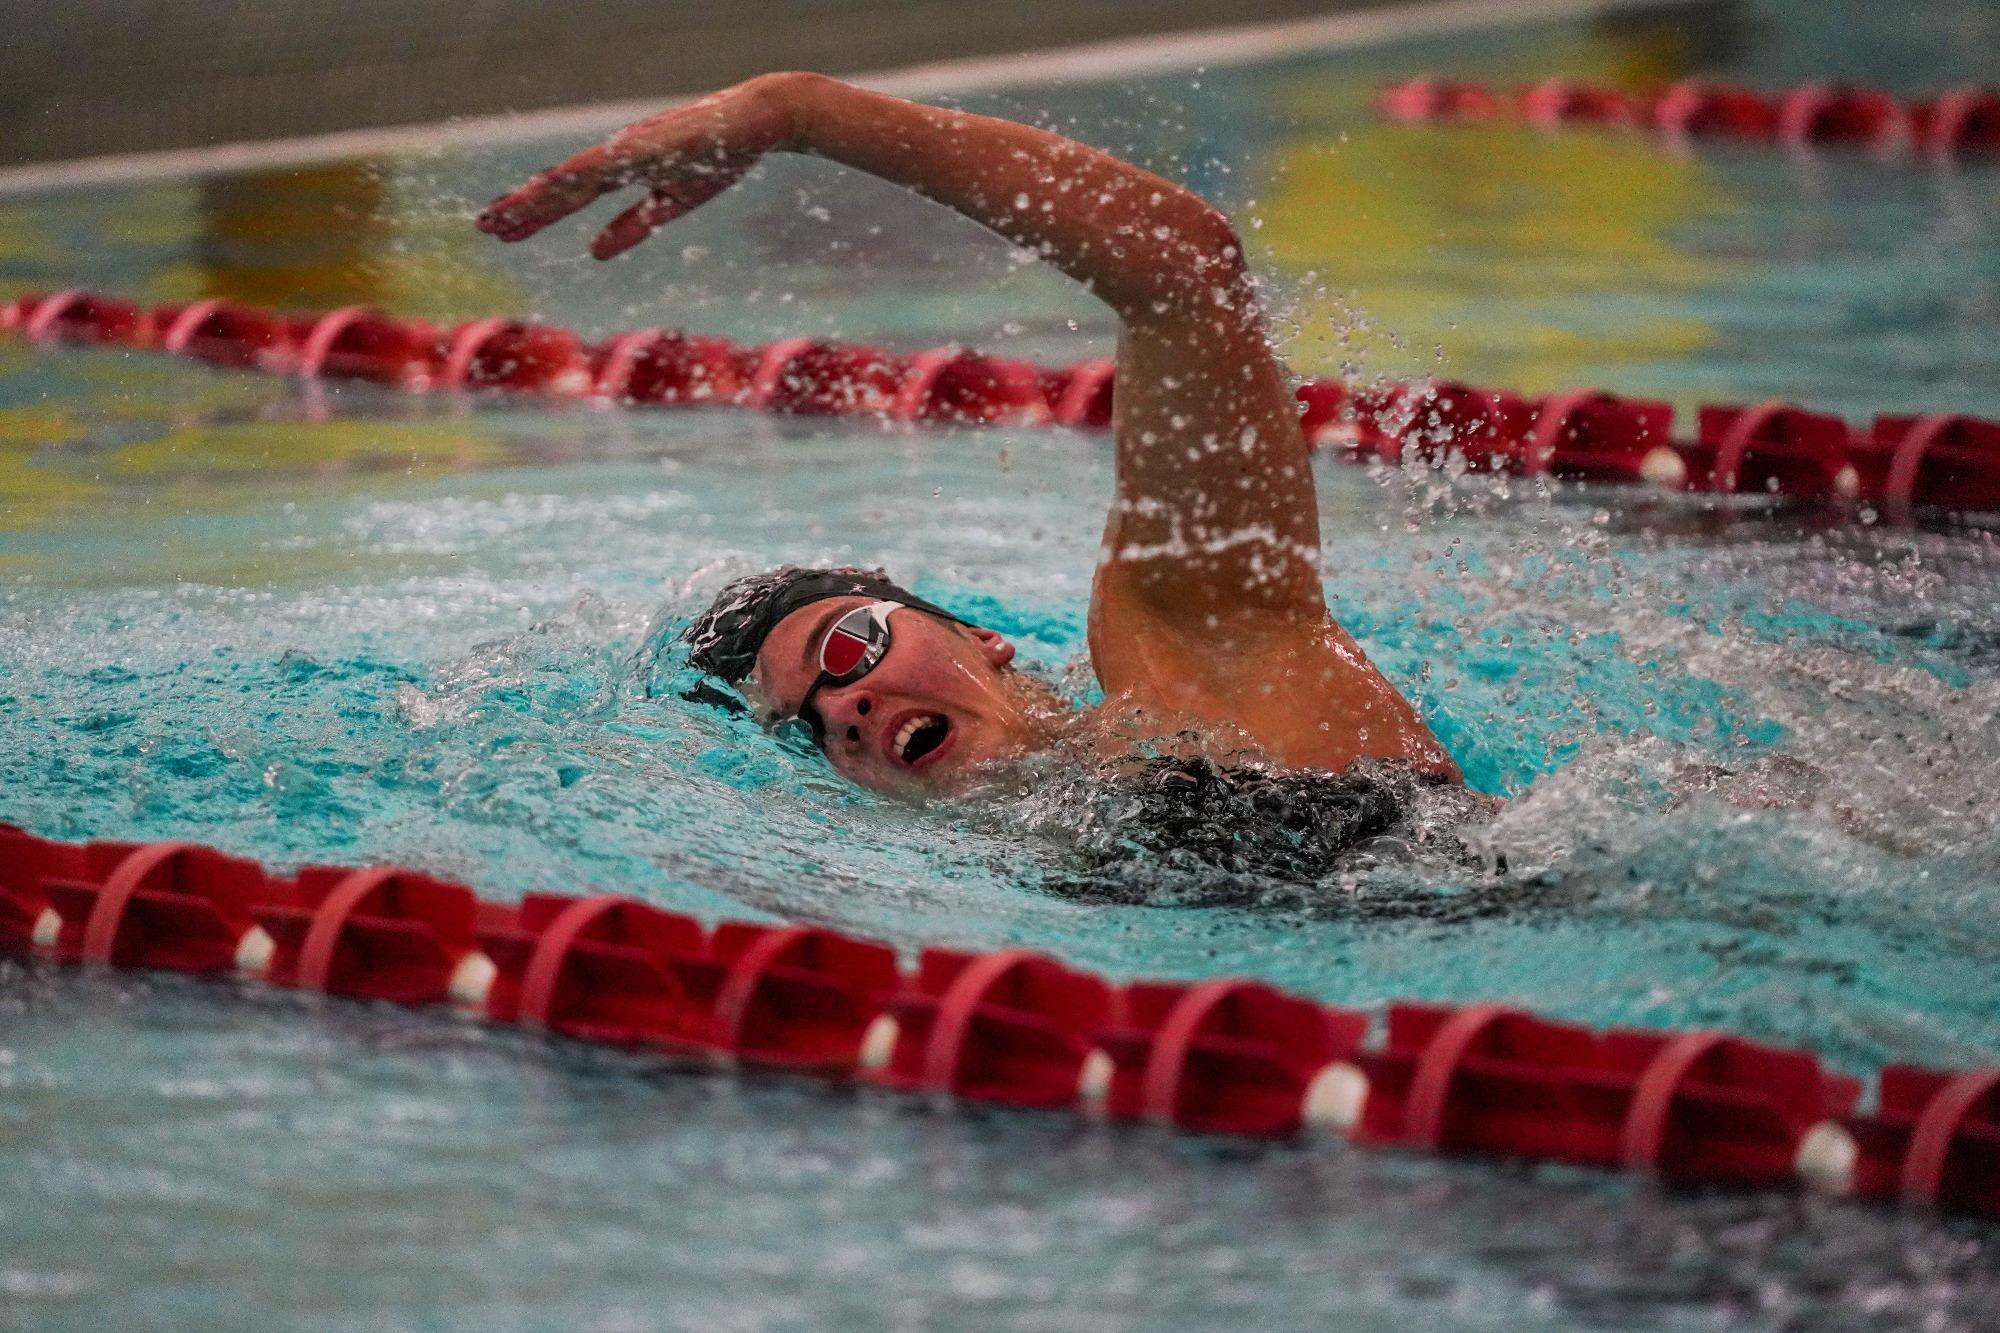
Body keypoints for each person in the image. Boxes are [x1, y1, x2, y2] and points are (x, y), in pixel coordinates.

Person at [479, 72, 1462, 815]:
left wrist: (802, 114)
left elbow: (1182, 269)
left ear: (979, 636)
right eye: (802, 728)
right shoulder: (1021, 895)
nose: (844, 707)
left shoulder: (1189, 660)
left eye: (849, 644)